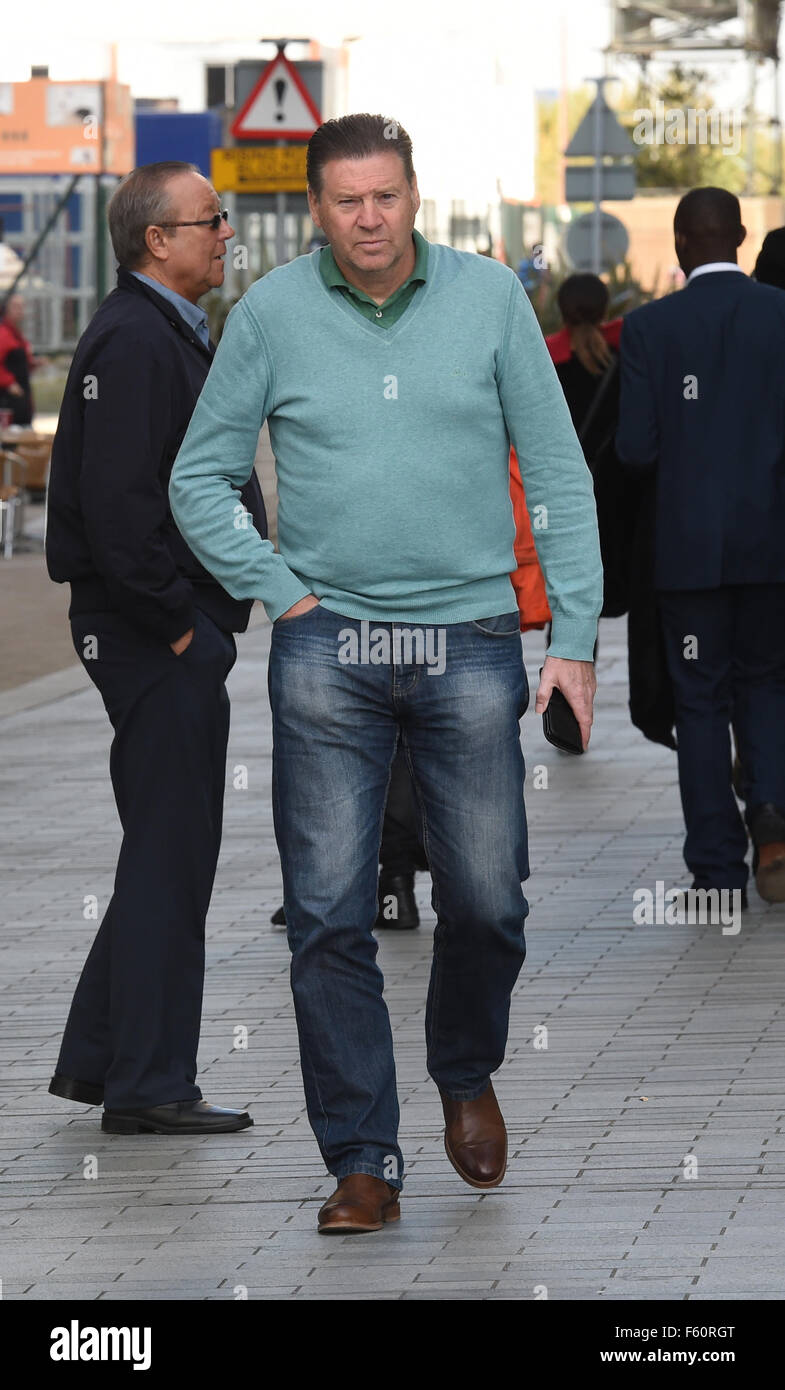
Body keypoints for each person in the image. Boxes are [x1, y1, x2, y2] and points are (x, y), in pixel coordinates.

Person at [170, 114, 602, 1232]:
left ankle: (463, 1067)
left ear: (415, 195)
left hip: (464, 636)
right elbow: (198, 479)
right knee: (325, 912)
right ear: (315, 208)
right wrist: (280, 590)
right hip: (328, 645)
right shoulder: (267, 314)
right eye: (345, 200)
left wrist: (572, 639)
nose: (368, 219)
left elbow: (554, 469)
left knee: (488, 900)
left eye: (385, 197)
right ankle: (362, 1155)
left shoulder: (489, 299)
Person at [45, 161, 267, 1135]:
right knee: (172, 857)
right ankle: (149, 1085)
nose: (226, 234)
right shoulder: (136, 339)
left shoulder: (160, 329)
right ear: (155, 241)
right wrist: (184, 625)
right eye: (209, 220)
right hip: (151, 634)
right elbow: (119, 509)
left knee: (160, 852)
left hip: (159, 629)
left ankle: (108, 1060)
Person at [616, 186, 785, 907]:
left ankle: (715, 871)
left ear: (680, 246)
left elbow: (632, 448)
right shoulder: (780, 315)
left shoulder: (649, 329)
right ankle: (773, 827)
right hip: (772, 550)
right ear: (741, 239)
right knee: (768, 686)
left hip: (687, 559)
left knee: (699, 705)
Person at [0, 293, 42, 425]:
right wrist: (9, 383)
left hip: (22, 400)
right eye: (15, 306)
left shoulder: (17, 335)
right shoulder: (3, 334)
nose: (20, 310)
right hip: (8, 401)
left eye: (22, 306)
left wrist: (32, 364)